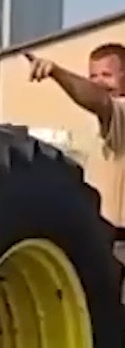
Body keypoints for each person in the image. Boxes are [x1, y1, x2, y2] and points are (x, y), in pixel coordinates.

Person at [27, 41, 125, 225]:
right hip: (96, 234)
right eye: (93, 76)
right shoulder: (93, 126)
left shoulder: (120, 113)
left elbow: (101, 101)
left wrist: (56, 72)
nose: (98, 82)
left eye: (107, 75)